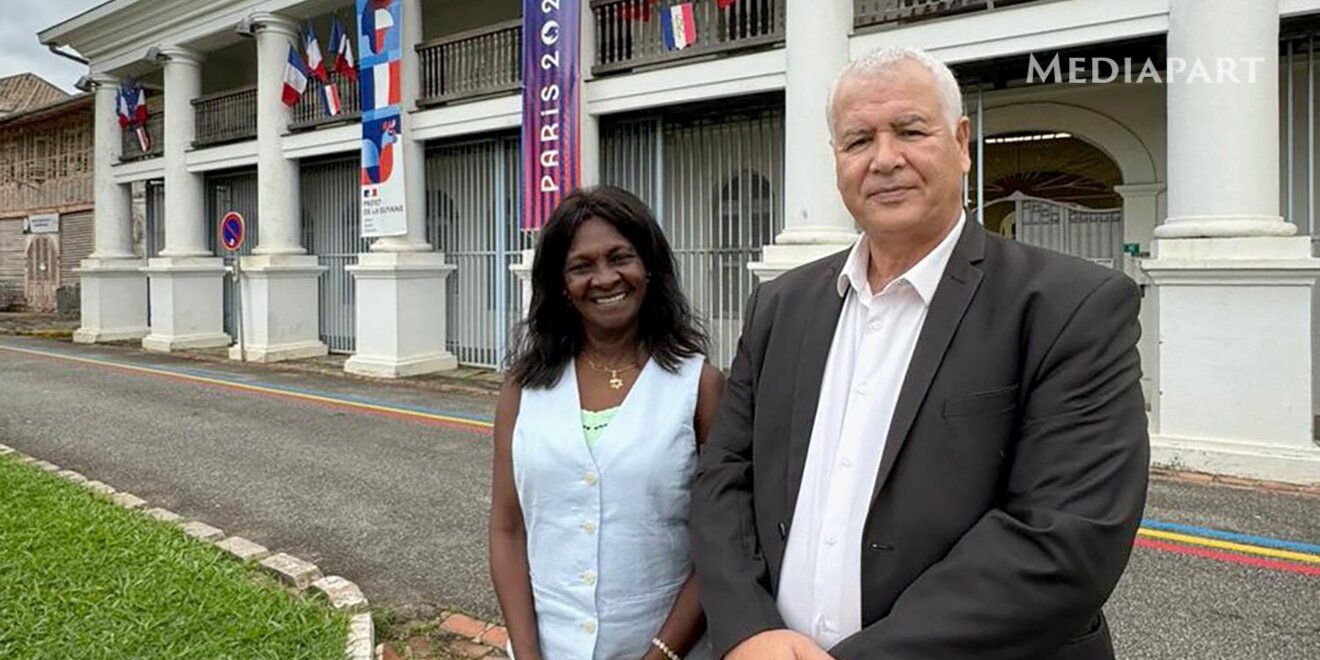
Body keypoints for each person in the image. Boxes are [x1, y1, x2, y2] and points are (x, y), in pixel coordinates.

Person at [690, 47, 1149, 660]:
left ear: (961, 144)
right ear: (837, 160)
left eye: (909, 131)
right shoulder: (781, 306)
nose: (884, 159)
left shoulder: (1070, 307)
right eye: (859, 140)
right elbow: (724, 477)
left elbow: (1064, 538)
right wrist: (749, 628)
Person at [490, 186, 724, 660]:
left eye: (620, 258)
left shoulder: (699, 387)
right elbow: (507, 529)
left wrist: (660, 654)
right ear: (561, 284)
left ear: (649, 267)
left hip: (665, 648)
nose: (605, 278)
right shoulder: (524, 388)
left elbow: (721, 541)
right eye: (581, 266)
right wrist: (528, 653)